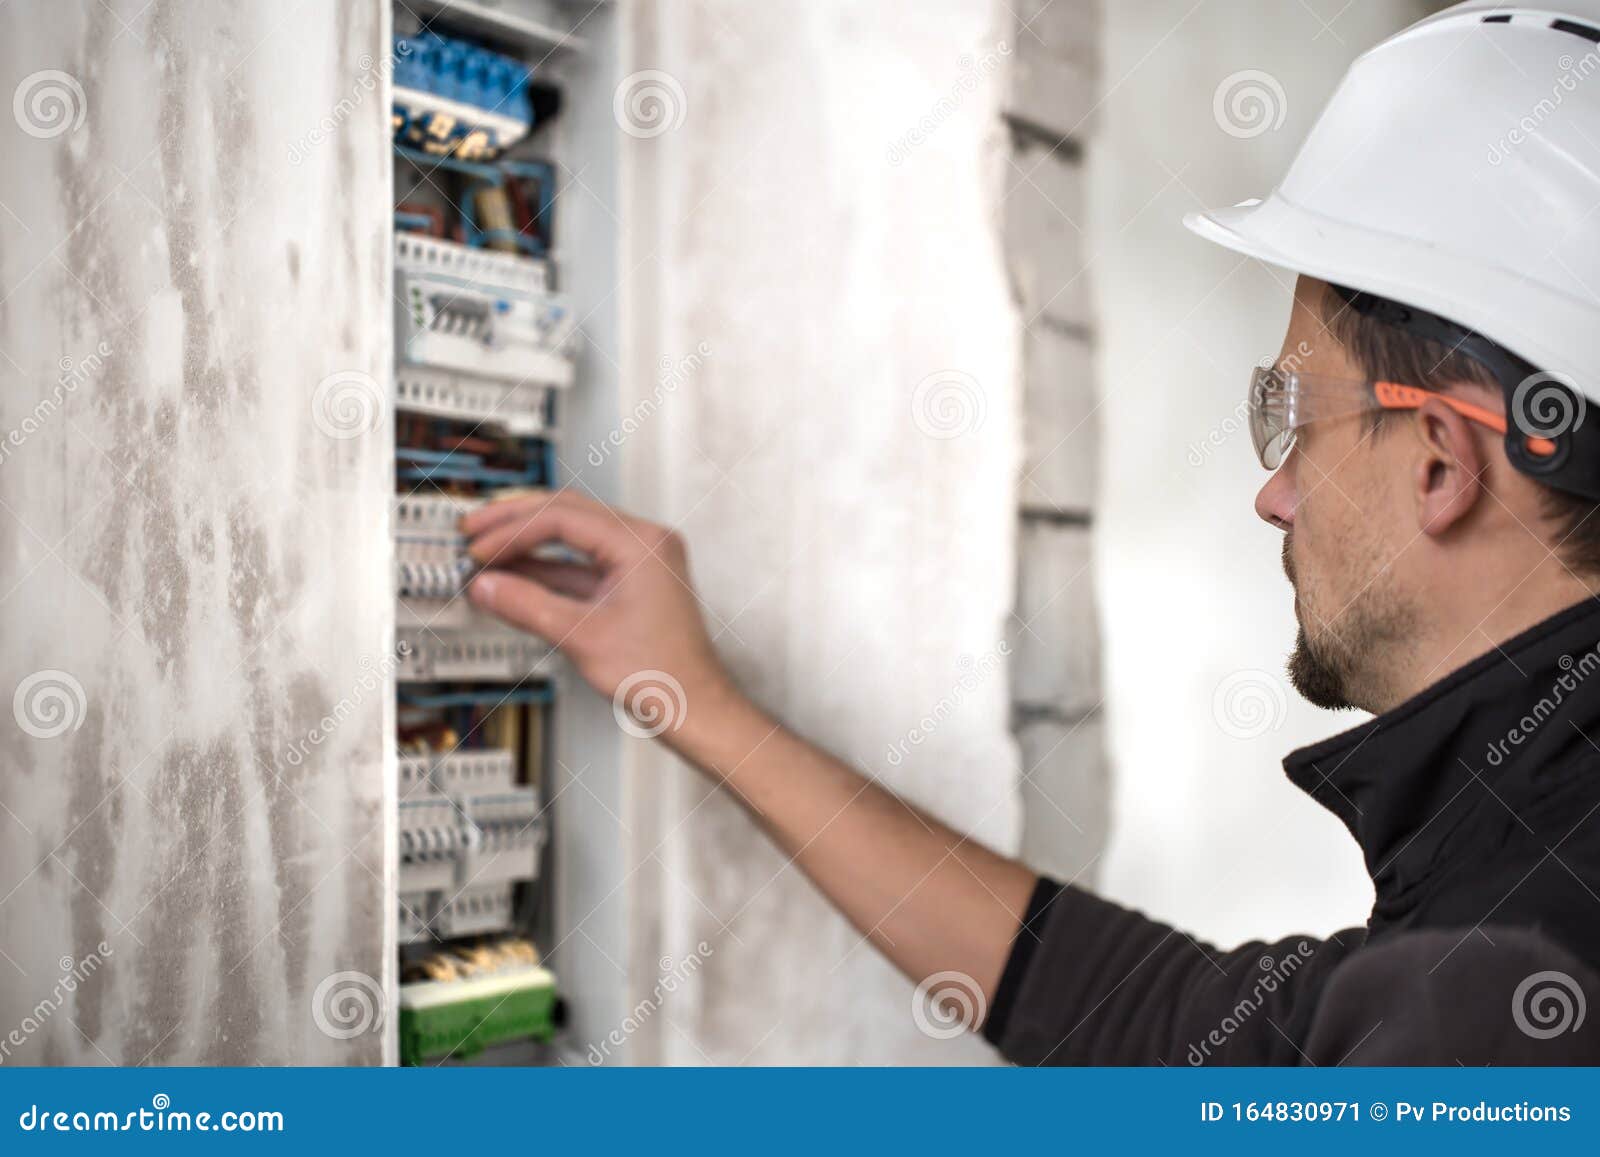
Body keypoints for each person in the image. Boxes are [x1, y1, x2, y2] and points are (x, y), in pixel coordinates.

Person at [461, 0, 1600, 1063]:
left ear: (1443, 462)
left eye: (1291, 418)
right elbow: (1176, 1030)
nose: (1273, 494)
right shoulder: (1514, 892)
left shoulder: (1499, 988)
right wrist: (699, 701)